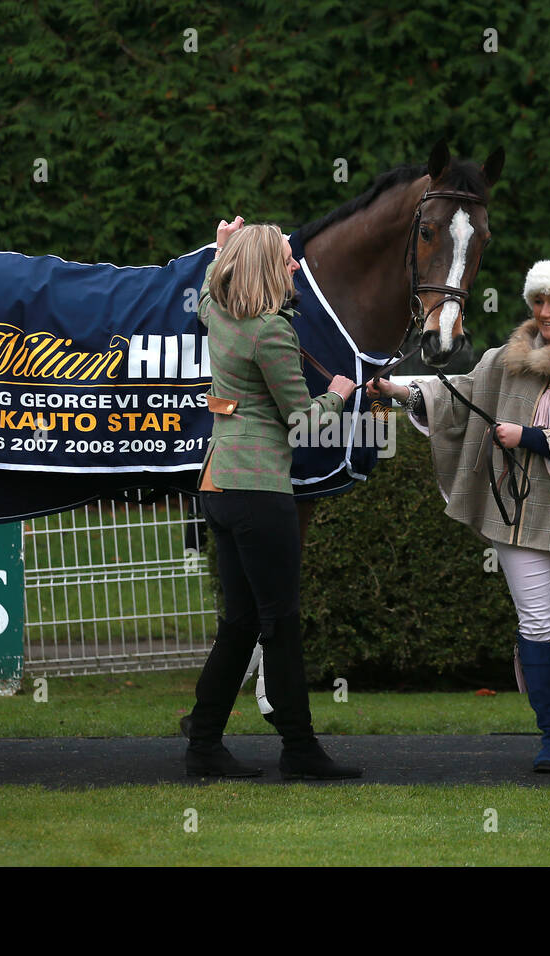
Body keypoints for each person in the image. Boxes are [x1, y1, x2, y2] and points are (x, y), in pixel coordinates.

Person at [369, 260, 550, 772]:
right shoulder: (503, 360)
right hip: (514, 510)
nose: (545, 312)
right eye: (539, 301)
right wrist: (401, 392)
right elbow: (459, 395)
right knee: (536, 623)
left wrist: (530, 437)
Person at [182, 216, 362, 780]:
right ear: (266, 266)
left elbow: (211, 290)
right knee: (279, 622)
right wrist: (336, 394)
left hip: (219, 485)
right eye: (287, 259)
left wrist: (221, 250)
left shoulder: (219, 315)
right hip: (260, 492)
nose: (295, 266)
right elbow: (302, 420)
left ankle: (204, 743)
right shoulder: (270, 330)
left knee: (239, 623)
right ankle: (300, 750)